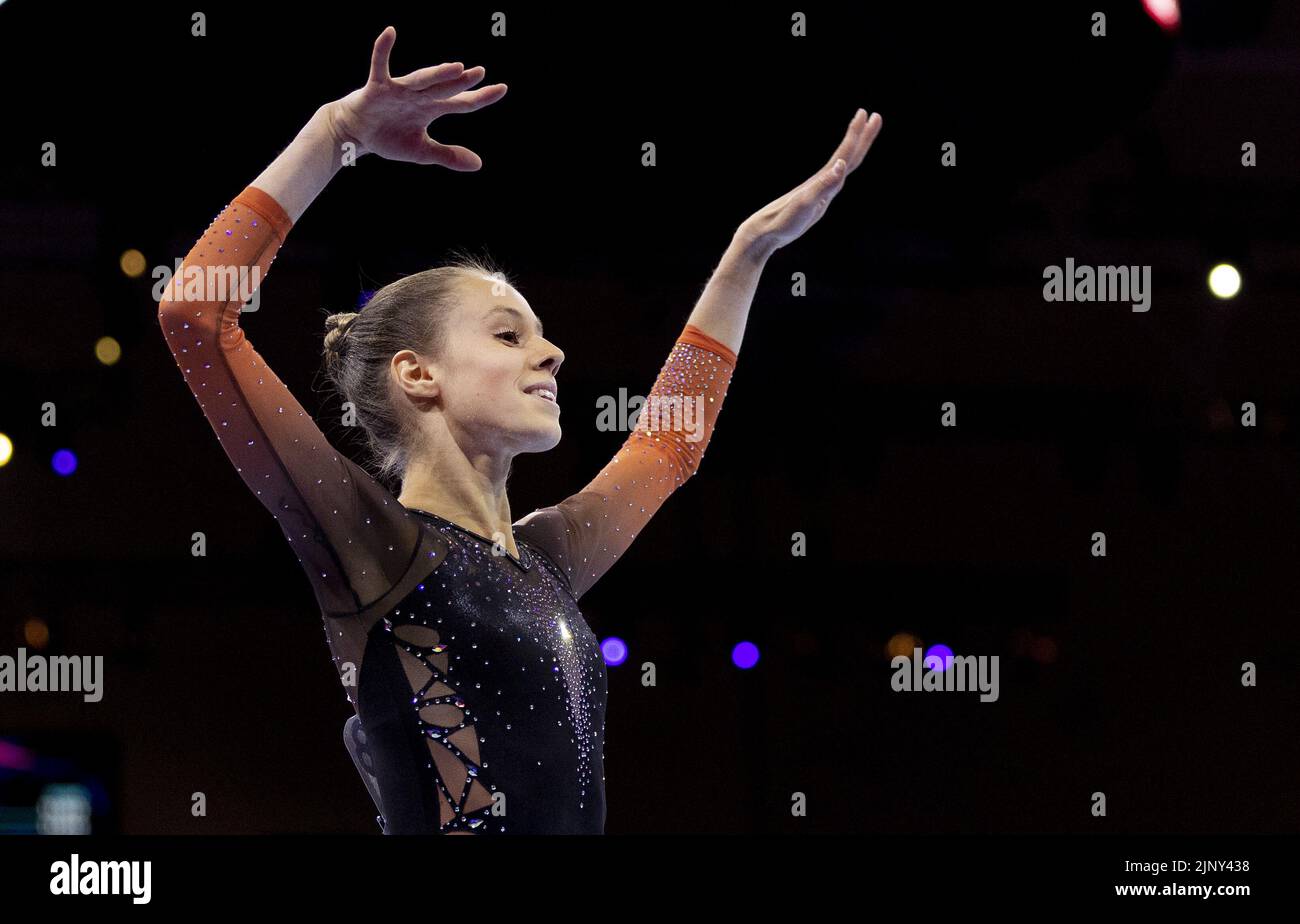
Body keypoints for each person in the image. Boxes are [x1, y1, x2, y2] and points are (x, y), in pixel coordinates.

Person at [156, 25, 882, 834]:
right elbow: (195, 314)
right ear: (416, 374)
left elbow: (668, 443)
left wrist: (748, 255)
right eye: (508, 335)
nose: (553, 352)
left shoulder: (543, 562)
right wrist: (336, 135)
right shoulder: (379, 546)